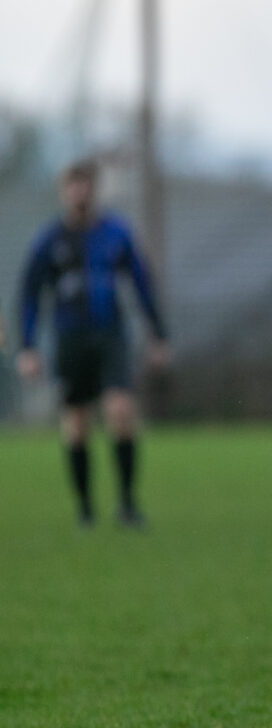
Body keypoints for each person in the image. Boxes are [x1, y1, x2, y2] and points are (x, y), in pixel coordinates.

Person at [16, 158, 170, 528]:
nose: (79, 192)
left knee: (119, 411)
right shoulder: (49, 240)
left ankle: (128, 505)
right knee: (77, 422)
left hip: (110, 334)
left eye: (85, 184)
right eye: (73, 185)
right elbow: (30, 294)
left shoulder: (115, 233)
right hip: (70, 338)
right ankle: (85, 509)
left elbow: (142, 284)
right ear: (64, 191)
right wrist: (27, 346)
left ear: (94, 189)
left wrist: (158, 335)